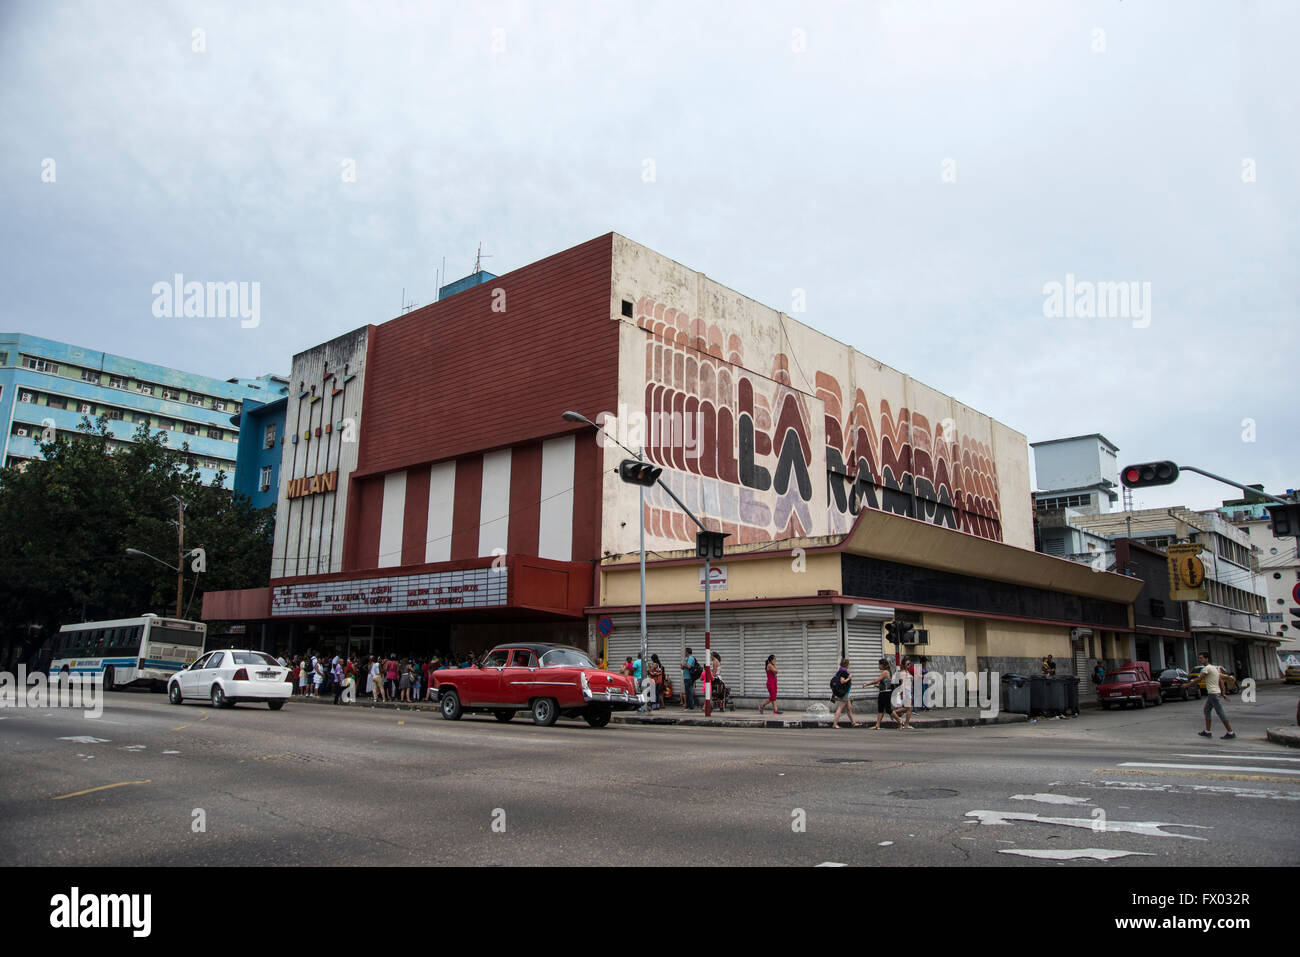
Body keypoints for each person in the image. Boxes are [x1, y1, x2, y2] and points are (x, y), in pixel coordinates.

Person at [1196, 652, 1236, 739]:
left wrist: (1187, 685)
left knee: (1220, 712)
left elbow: (1199, 680)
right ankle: (1207, 731)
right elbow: (1221, 681)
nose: (1200, 660)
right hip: (1213, 693)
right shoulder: (1214, 668)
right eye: (1199, 658)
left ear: (1207, 659)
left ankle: (1230, 732)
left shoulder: (1206, 669)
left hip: (1213, 694)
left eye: (1201, 658)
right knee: (1206, 710)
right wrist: (1223, 693)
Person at [831, 658, 860, 728]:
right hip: (844, 693)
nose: (849, 665)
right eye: (848, 664)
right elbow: (842, 681)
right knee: (840, 708)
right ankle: (835, 724)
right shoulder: (843, 671)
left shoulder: (840, 670)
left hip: (845, 692)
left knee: (849, 708)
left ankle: (853, 723)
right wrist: (849, 678)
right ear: (846, 664)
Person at [891, 655, 916, 730]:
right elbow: (903, 684)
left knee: (908, 708)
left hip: (909, 691)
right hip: (906, 691)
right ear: (904, 664)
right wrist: (904, 694)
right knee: (909, 708)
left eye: (910, 664)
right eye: (907, 664)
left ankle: (894, 713)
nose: (909, 665)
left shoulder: (906, 671)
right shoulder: (903, 672)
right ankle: (905, 723)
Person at [870, 657, 893, 730]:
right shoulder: (887, 671)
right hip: (884, 692)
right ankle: (877, 725)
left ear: (882, 665)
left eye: (879, 664)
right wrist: (879, 686)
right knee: (880, 709)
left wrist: (866, 684)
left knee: (888, 710)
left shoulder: (885, 672)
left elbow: (876, 680)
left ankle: (900, 721)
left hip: (885, 693)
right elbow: (886, 683)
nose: (878, 666)